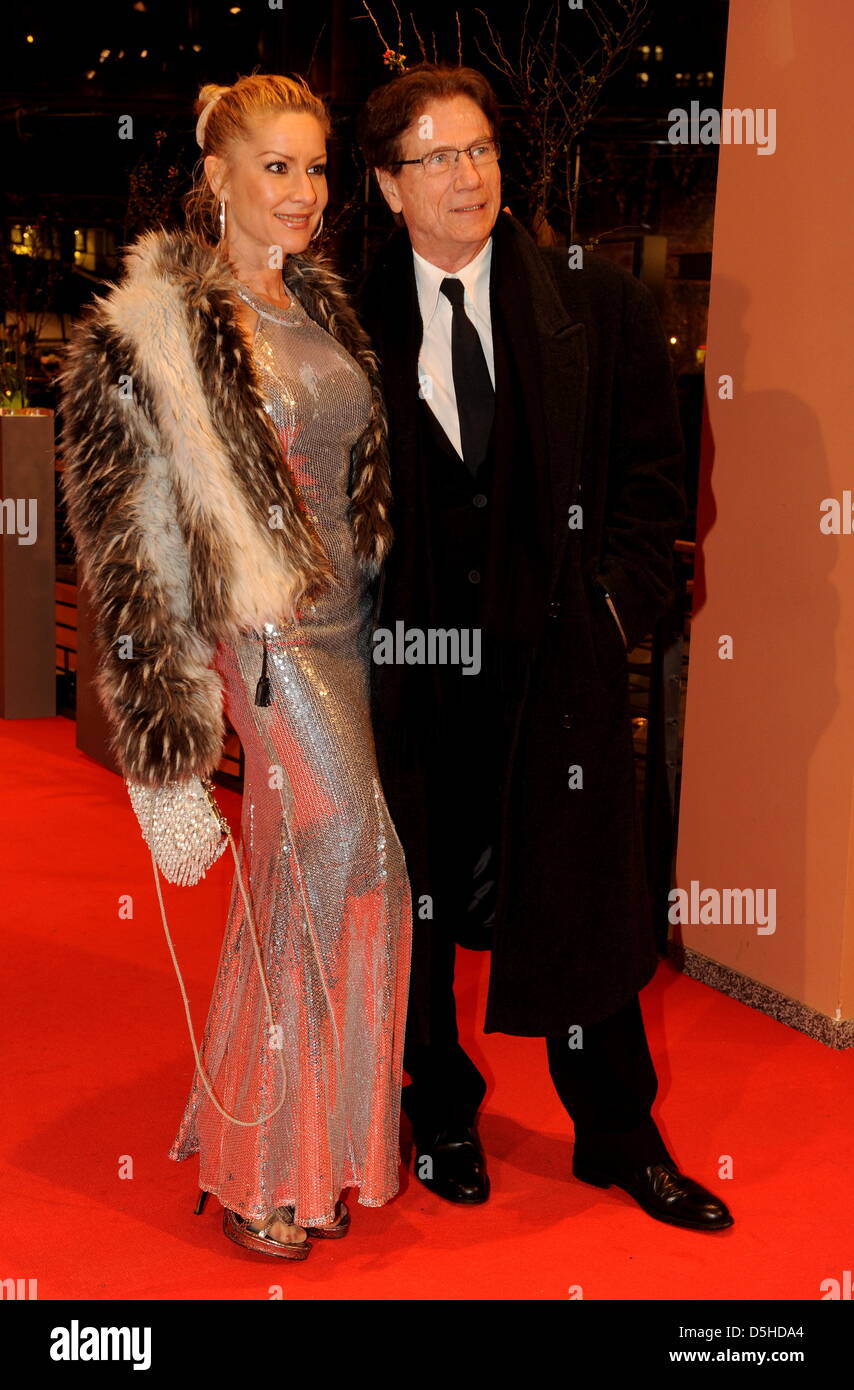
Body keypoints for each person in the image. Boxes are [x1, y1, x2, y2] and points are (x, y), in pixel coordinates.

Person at [357, 63, 733, 1231]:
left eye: (480, 152)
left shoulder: (597, 305)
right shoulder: (344, 322)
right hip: (406, 676)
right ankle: (444, 1112)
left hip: (551, 678)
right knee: (414, 911)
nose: (467, 177)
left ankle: (616, 1132)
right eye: (436, 157)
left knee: (580, 911)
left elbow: (652, 493)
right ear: (384, 186)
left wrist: (613, 613)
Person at [60, 74, 412, 1260]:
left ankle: (296, 1151)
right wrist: (162, 744)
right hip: (258, 640)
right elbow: (127, 539)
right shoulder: (152, 326)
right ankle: (268, 1159)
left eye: (315, 168)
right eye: (277, 166)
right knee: (339, 854)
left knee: (320, 877)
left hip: (345, 632)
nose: (304, 192)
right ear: (216, 177)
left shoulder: (319, 306)